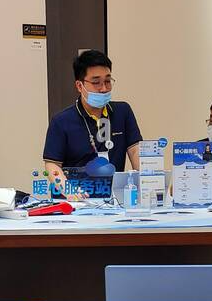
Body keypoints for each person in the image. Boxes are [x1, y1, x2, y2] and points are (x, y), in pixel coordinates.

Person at [42, 50, 142, 194]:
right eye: (96, 82)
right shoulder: (61, 121)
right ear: (79, 86)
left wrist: (150, 181)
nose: (104, 88)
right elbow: (52, 165)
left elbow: (135, 151)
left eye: (107, 81)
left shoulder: (123, 112)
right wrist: (69, 191)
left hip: (114, 199)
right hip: (77, 201)